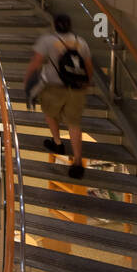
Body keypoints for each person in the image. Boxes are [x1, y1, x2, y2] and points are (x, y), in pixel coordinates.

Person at [26, 14, 93, 179]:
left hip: (53, 87)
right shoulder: (81, 42)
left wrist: (28, 81)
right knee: (74, 124)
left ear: (55, 25)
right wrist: (86, 83)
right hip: (76, 88)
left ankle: (57, 142)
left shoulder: (47, 40)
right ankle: (77, 162)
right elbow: (88, 66)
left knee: (49, 114)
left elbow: (36, 62)